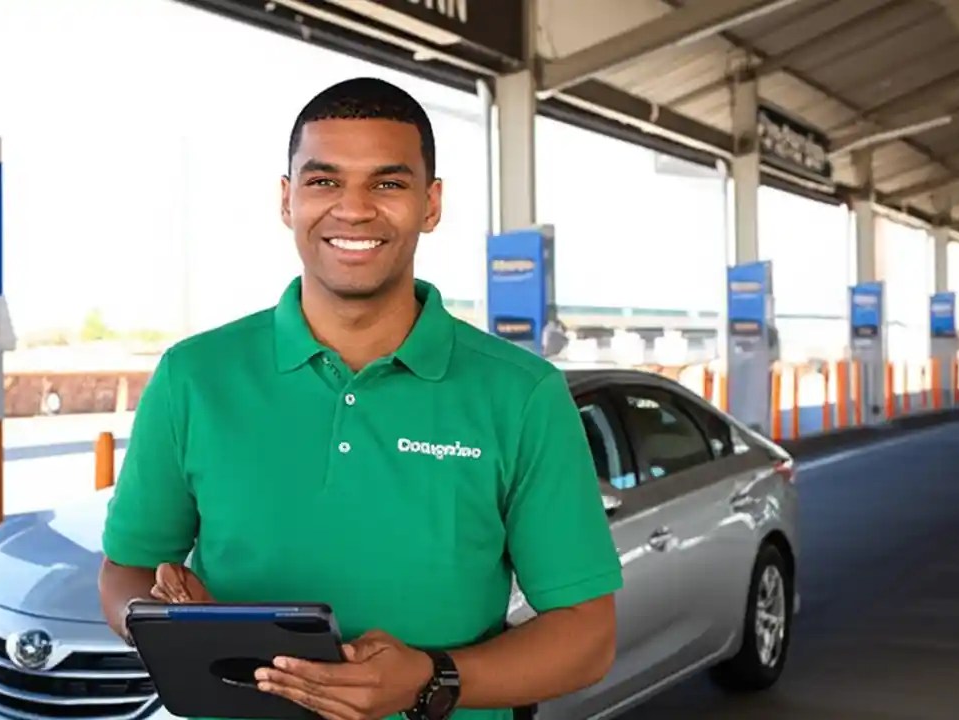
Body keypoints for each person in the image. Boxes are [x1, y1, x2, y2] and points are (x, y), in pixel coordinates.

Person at [99, 76, 623, 720]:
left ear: (431, 205)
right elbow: (123, 575)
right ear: (287, 200)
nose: (353, 209)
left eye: (388, 183)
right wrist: (164, 624)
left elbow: (587, 635)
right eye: (323, 182)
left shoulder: (521, 394)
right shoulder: (193, 376)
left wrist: (433, 680)